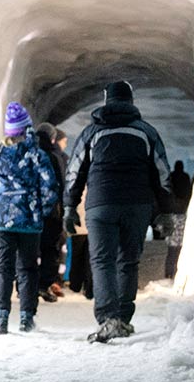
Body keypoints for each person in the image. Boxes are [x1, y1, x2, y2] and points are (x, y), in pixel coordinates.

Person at [63, 80, 172, 342]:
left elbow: (74, 172)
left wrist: (69, 206)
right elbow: (162, 174)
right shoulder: (147, 132)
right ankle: (123, 318)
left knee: (102, 262)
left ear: (106, 100)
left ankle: (108, 318)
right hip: (137, 205)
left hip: (101, 204)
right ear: (131, 101)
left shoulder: (91, 132)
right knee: (128, 261)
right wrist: (165, 210)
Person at [0, 103, 58, 334]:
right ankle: (26, 317)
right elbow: (50, 187)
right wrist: (42, 211)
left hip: (0, 223)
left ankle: (0, 316)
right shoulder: (36, 155)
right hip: (29, 222)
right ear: (25, 129)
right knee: (28, 269)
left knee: (2, 268)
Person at [35, 123, 69, 302]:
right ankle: (43, 284)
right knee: (50, 250)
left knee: (29, 251)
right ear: (52, 138)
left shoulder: (27, 153)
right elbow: (61, 185)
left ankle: (25, 286)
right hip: (50, 214)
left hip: (28, 213)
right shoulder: (56, 157)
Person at [163, 160, 193, 278]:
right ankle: (176, 272)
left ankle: (169, 273)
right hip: (182, 211)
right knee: (180, 245)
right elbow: (189, 192)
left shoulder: (171, 177)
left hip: (172, 211)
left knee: (171, 248)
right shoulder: (185, 177)